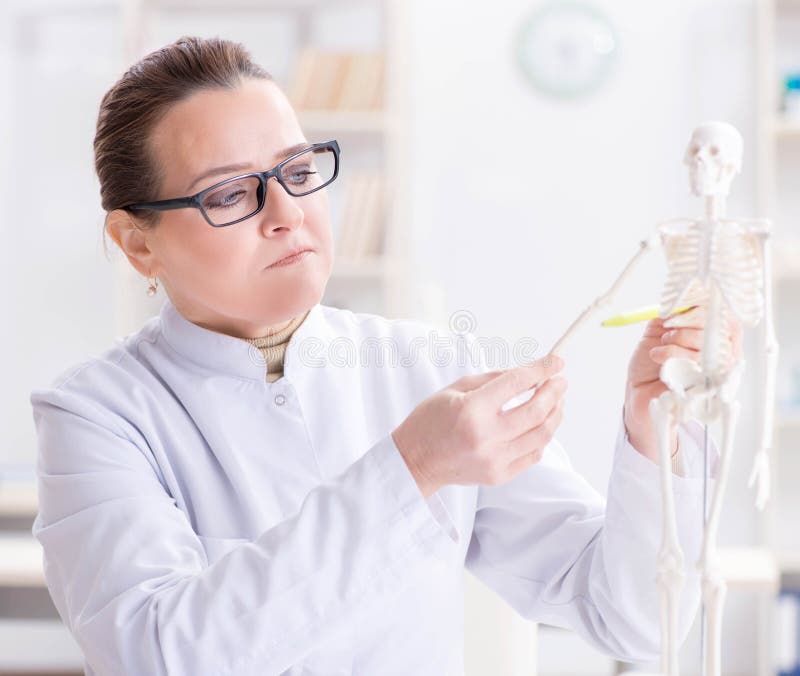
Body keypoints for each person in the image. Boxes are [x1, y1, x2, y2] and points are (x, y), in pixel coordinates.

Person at [29, 36, 739, 676]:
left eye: (297, 171)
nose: (287, 214)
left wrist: (654, 433)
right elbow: (158, 658)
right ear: (137, 243)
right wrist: (412, 467)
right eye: (230, 194)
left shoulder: (427, 368)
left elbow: (632, 617)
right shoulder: (96, 416)